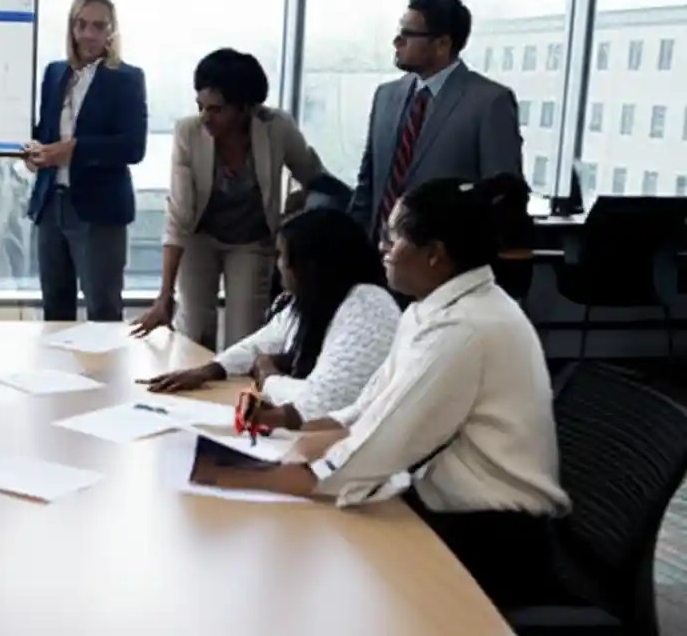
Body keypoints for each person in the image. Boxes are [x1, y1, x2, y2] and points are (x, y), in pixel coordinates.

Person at [207, 176, 570, 615]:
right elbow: (366, 412)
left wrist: (232, 476)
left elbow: (375, 450)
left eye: (394, 237)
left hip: (493, 540)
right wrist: (284, 425)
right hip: (449, 508)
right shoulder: (431, 310)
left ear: (434, 254)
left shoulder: (465, 329)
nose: (382, 247)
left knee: (325, 585)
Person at [130, 49, 325, 349]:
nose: (206, 117)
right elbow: (179, 217)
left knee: (244, 337)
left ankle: (234, 395)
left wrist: (297, 212)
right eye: (201, 107)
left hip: (251, 241)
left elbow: (314, 175)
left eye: (217, 109)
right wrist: (164, 295)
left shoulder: (277, 128)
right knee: (193, 332)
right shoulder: (188, 132)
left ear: (245, 107)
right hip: (200, 238)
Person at [137, 208, 399, 427]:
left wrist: (268, 377)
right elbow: (263, 342)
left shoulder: (369, 306)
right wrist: (208, 371)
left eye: (283, 257)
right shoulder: (324, 298)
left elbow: (320, 405)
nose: (279, 266)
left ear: (311, 265)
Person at [348, 0, 524, 242]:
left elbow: (503, 196)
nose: (397, 41)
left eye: (408, 34)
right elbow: (368, 184)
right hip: (378, 258)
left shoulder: (489, 102)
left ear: (442, 44)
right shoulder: (386, 96)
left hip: (443, 263)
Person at [23, 0, 148, 322]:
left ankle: (103, 376)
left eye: (98, 26)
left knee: (103, 309)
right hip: (51, 205)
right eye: (81, 25)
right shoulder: (54, 73)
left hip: (99, 210)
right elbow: (45, 131)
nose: (88, 34)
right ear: (71, 28)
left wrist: (74, 149)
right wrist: (35, 151)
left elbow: (133, 147)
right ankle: (56, 375)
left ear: (111, 31)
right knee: (55, 308)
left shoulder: (127, 78)